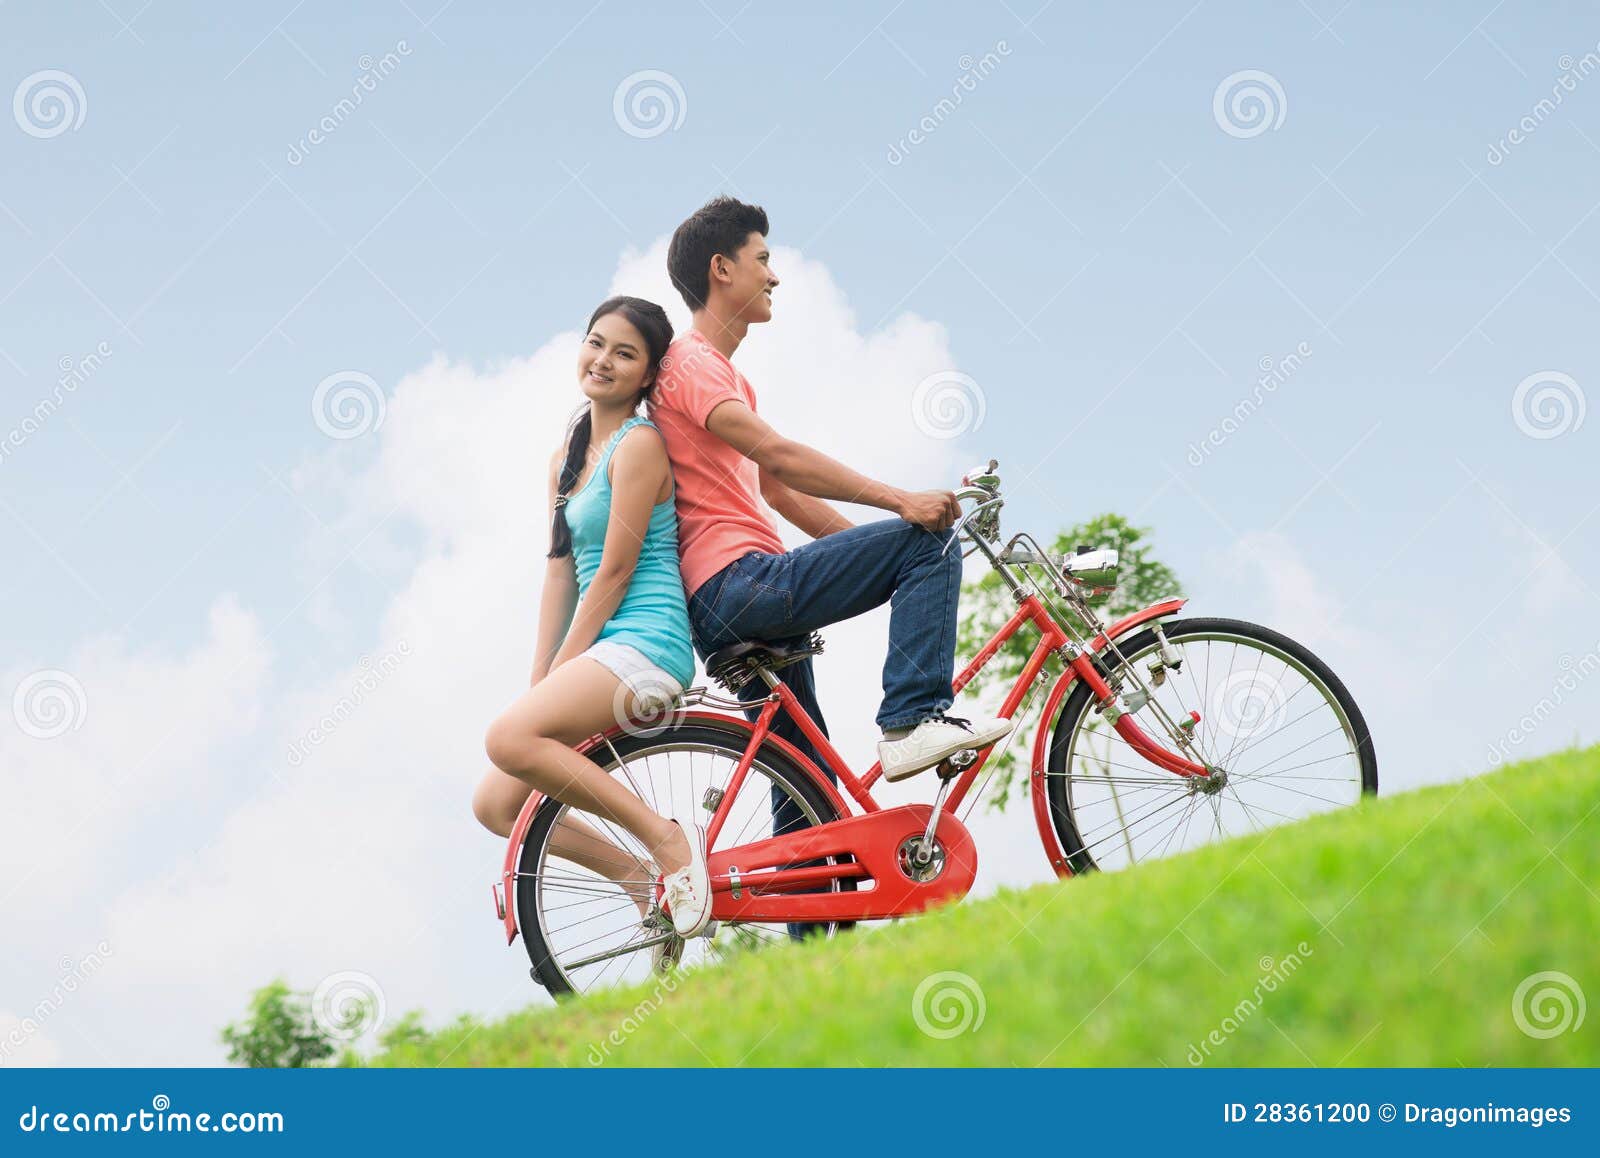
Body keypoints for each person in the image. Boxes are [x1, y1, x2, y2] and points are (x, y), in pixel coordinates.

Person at [650, 196, 1014, 821]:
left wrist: (879, 564)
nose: (774, 275)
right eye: (762, 258)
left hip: (735, 602)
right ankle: (912, 720)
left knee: (808, 787)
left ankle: (812, 915)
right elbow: (784, 459)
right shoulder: (690, 363)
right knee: (931, 540)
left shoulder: (722, 376)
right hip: (738, 586)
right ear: (721, 269)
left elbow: (780, 492)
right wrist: (903, 511)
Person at [472, 296, 712, 940]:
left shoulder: (640, 445)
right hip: (599, 649)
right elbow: (561, 572)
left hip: (647, 644)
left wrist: (567, 665)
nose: (603, 360)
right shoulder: (566, 458)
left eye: (624, 353)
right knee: (495, 802)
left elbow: (612, 574)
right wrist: (541, 677)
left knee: (507, 740)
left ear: (646, 375)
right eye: (596, 342)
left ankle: (666, 841)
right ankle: (635, 876)